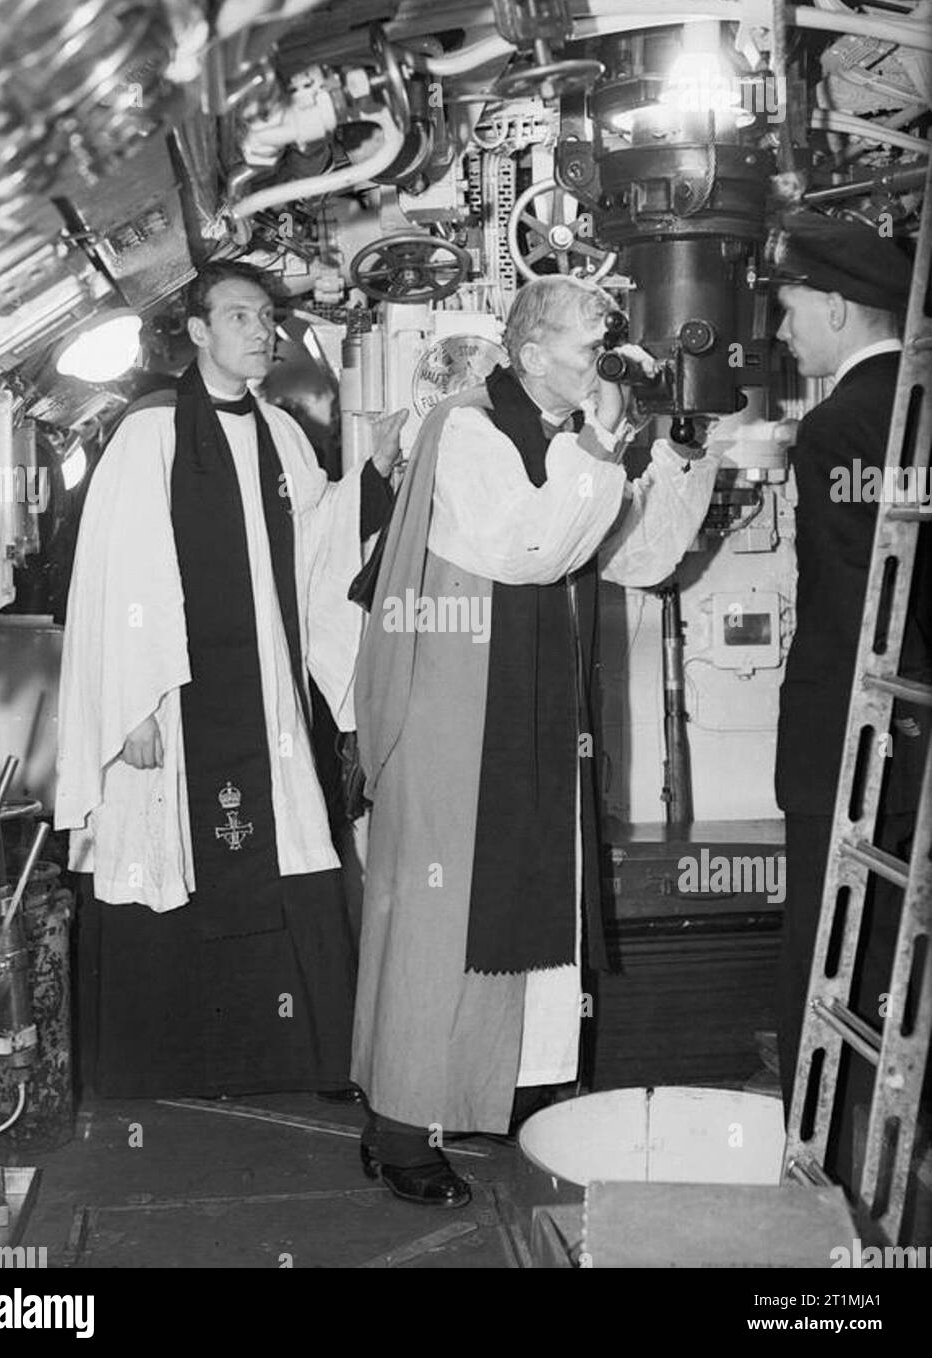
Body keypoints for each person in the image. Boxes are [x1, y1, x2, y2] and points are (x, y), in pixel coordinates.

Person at [351, 274, 729, 1205]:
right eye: (587, 341)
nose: (603, 356)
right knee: (443, 920)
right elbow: (529, 549)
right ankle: (399, 1126)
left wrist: (679, 453)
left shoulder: (568, 441)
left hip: (528, 711)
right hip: (454, 712)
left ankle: (484, 1092)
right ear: (528, 355)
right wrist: (600, 443)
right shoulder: (467, 428)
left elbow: (639, 557)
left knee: (524, 903)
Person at [55, 260, 404, 1099]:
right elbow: (120, 577)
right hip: (176, 701)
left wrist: (374, 477)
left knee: (290, 842)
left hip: (266, 695)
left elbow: (316, 549)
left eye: (266, 317)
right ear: (198, 331)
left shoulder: (282, 432)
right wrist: (131, 706)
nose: (262, 331)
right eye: (240, 317)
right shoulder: (149, 433)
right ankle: (163, 1067)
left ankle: (305, 1059)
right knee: (169, 847)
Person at [770, 211, 930, 1191]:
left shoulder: (835, 425)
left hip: (853, 743)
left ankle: (818, 1167)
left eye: (790, 313)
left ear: (832, 305)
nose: (783, 335)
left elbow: (846, 607)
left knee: (828, 953)